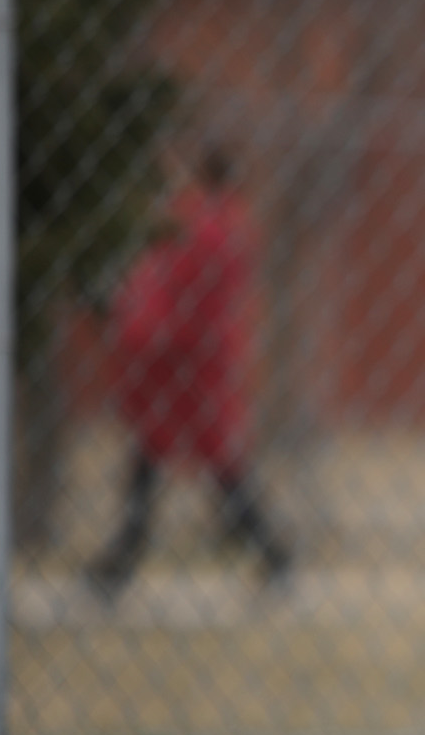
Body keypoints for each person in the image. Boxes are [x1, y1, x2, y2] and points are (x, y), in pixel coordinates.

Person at [87, 147, 293, 603]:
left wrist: (137, 330)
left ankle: (271, 555)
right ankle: (124, 559)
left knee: (192, 460)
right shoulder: (236, 223)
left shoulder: (192, 222)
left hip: (180, 360)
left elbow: (163, 289)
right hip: (204, 359)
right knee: (195, 460)